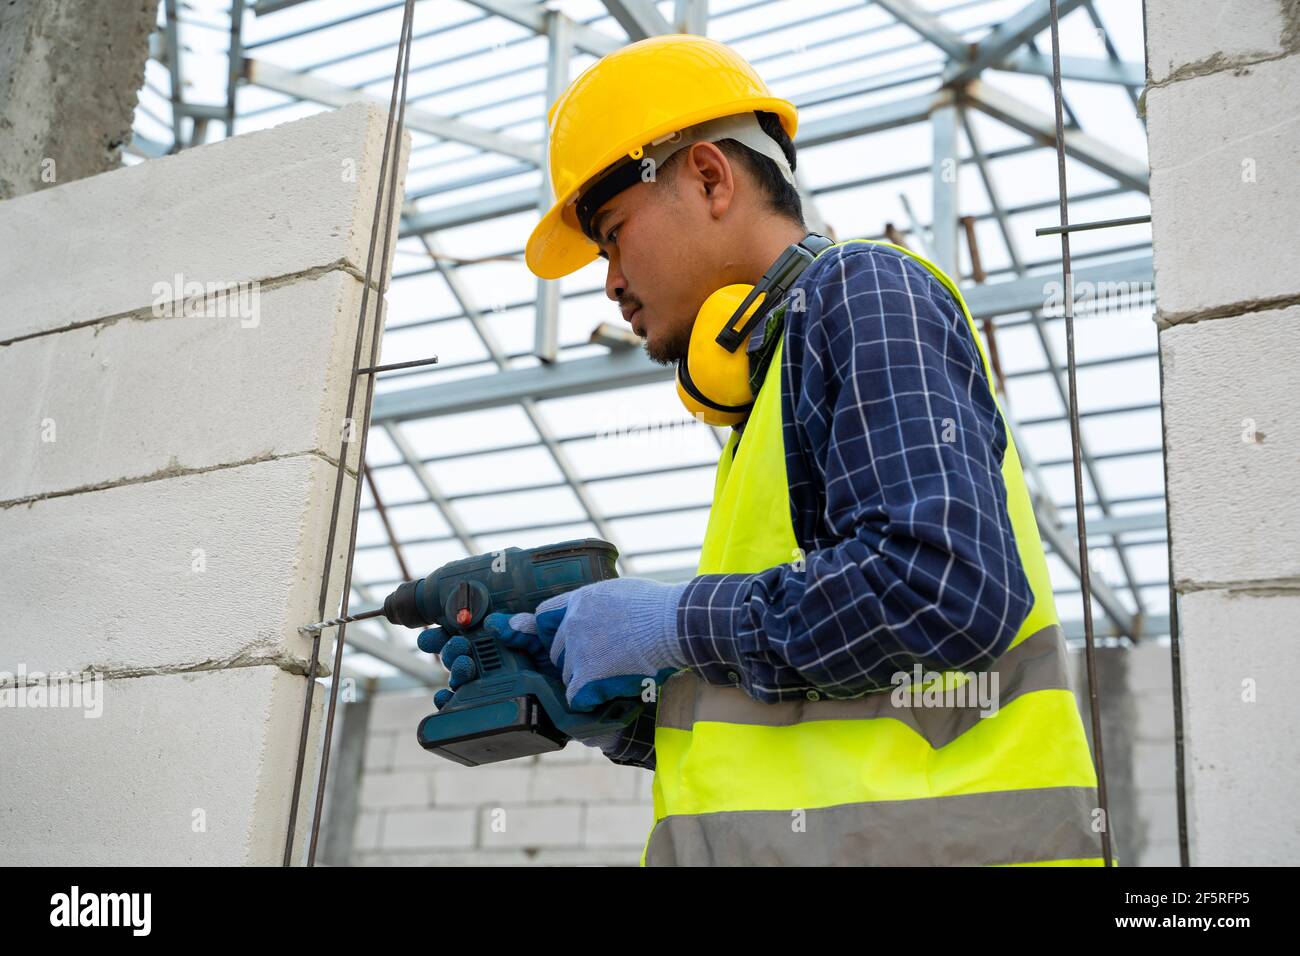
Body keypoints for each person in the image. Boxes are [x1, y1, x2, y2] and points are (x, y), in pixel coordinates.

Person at [421, 34, 1107, 867]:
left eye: (613, 235)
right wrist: (628, 710)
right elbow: (817, 706)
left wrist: (672, 621)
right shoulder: (767, 392)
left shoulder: (866, 292)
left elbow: (945, 589)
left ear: (710, 177)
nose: (608, 281)